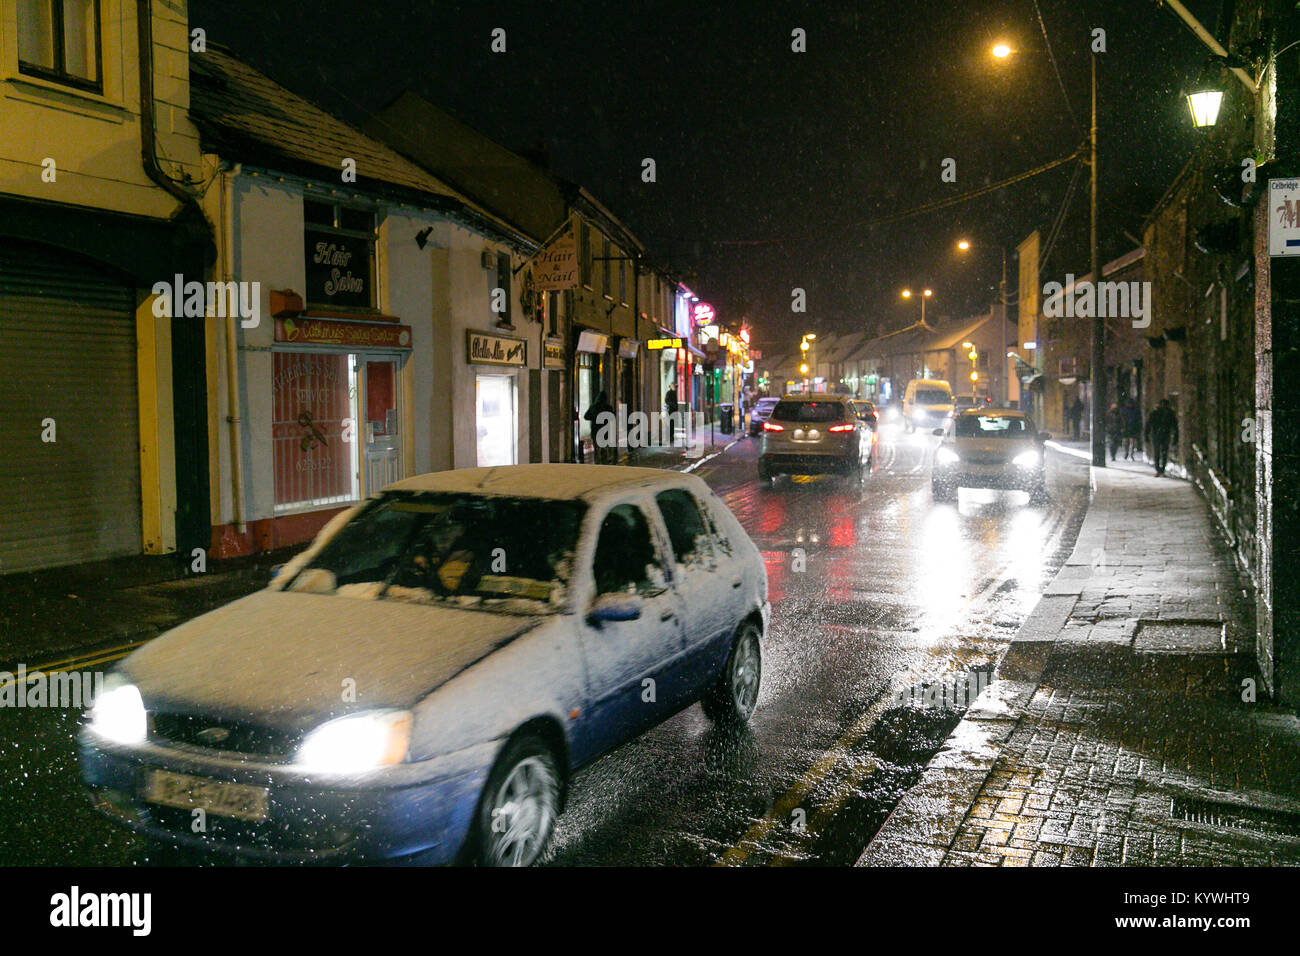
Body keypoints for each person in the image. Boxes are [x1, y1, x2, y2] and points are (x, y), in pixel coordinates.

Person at [1145, 398, 1179, 476]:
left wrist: (1146, 435)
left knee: (1158, 452)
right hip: (1163, 435)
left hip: (1158, 435)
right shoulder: (1169, 414)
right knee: (1162, 452)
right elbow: (1175, 427)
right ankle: (1160, 469)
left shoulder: (1156, 413)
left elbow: (1148, 425)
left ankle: (1159, 469)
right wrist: (1175, 438)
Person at [584, 390, 616, 464]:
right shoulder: (608, 407)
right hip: (605, 431)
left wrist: (594, 417)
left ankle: (597, 462)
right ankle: (604, 461)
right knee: (604, 447)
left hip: (595, 430)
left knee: (596, 448)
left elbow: (586, 416)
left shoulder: (593, 407)